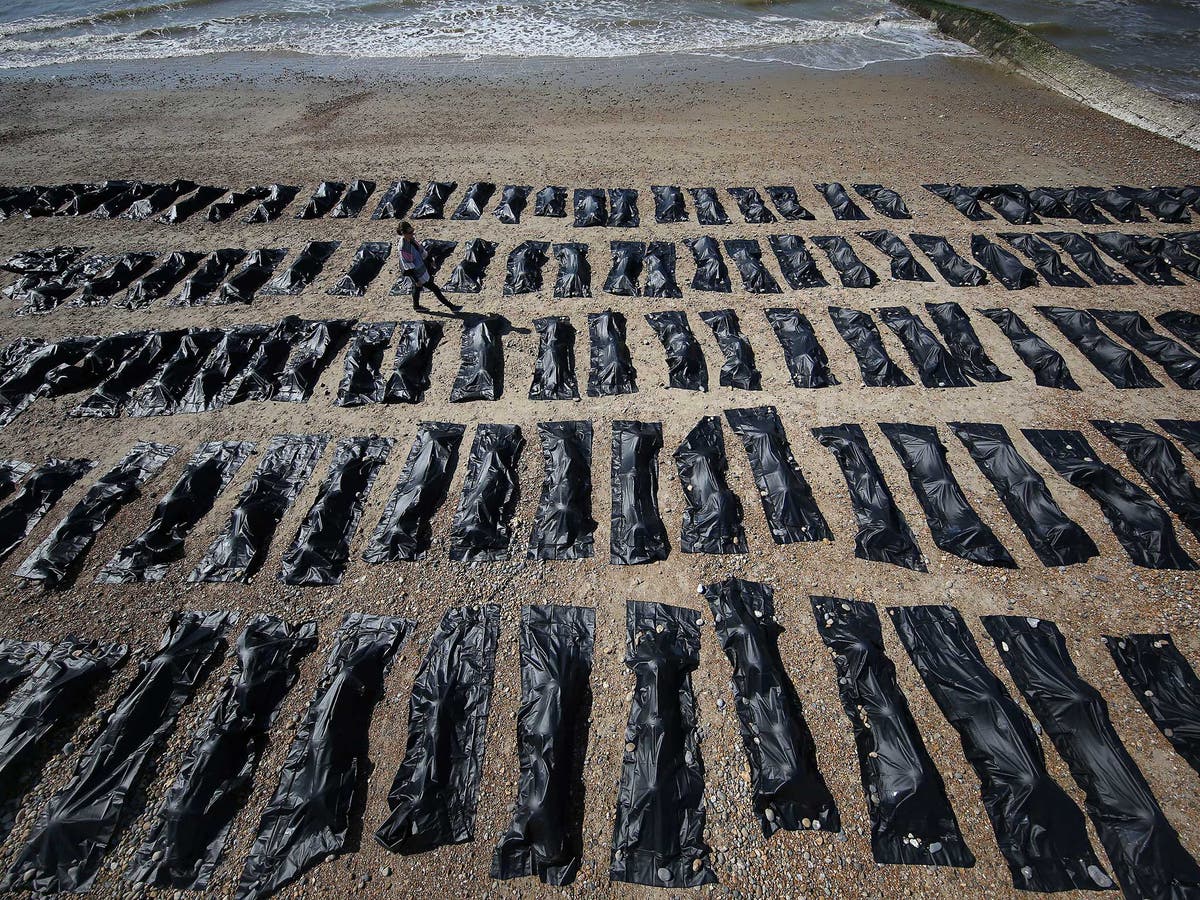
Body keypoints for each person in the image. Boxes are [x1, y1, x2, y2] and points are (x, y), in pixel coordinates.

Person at [397, 221, 461, 312]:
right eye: (410, 233)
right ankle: (451, 307)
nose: (412, 234)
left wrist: (430, 260)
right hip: (416, 272)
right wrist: (416, 279)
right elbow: (408, 266)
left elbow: (421, 250)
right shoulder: (403, 248)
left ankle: (416, 307)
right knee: (434, 288)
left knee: (417, 288)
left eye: (412, 232)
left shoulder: (411, 240)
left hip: (419, 267)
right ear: (403, 233)